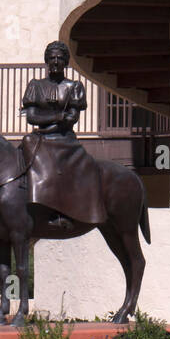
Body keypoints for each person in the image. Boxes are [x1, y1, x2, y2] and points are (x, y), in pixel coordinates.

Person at [21, 41, 103, 228]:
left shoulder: (74, 87)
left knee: (63, 167)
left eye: (59, 58)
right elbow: (32, 117)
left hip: (64, 139)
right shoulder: (35, 85)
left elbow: (71, 119)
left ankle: (62, 211)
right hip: (40, 137)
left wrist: (52, 119)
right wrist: (58, 115)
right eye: (51, 58)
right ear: (46, 61)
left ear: (65, 62)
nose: (55, 62)